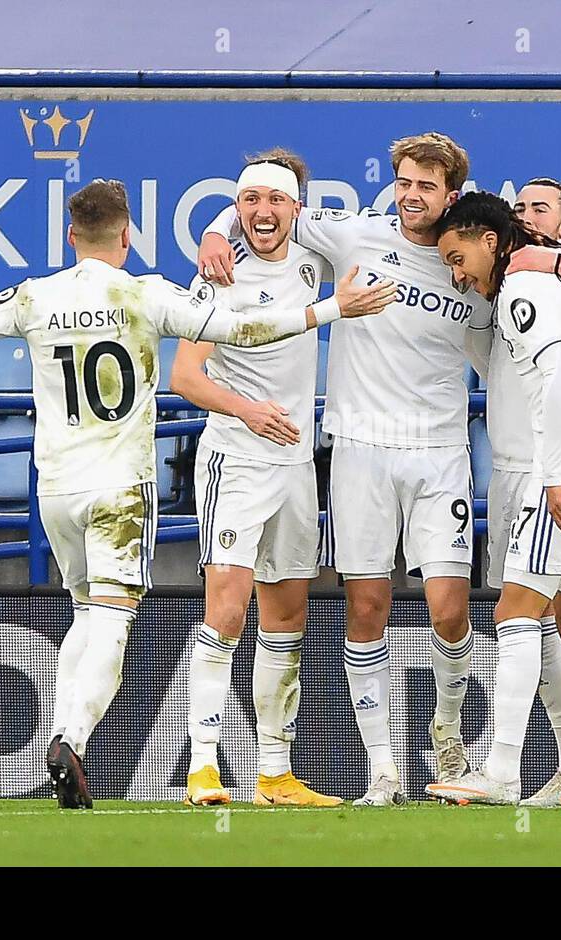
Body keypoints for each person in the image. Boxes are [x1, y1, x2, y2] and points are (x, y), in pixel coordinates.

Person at [0, 179, 396, 809]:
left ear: (70, 237)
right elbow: (243, 330)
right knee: (110, 614)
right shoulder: (146, 295)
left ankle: (61, 733)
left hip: (56, 488)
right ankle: (73, 735)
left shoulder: (35, 297)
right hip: (121, 489)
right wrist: (328, 310)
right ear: (127, 236)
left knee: (84, 611)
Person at [199, 132, 487, 805]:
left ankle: (447, 731)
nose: (412, 195)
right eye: (404, 182)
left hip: (441, 453)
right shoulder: (355, 234)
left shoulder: (469, 270)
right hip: (358, 447)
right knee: (366, 605)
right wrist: (217, 227)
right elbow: (269, 206)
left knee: (449, 611)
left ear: (451, 194)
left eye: (427, 185)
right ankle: (382, 769)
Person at [426, 191, 561, 807]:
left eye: (457, 255)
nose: (456, 272)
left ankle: (501, 770)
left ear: (490, 240)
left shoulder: (524, 288)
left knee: (515, 616)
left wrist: (550, 473)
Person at [171, 150, 341, 807]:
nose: (263, 213)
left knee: (287, 616)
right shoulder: (218, 274)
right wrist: (249, 411)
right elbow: (184, 376)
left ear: (296, 208)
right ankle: (204, 768)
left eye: (275, 202)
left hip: (298, 462)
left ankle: (275, 772)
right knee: (228, 611)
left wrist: (216, 221)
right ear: (238, 209)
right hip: (237, 459)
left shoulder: (313, 255)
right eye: (250, 203)